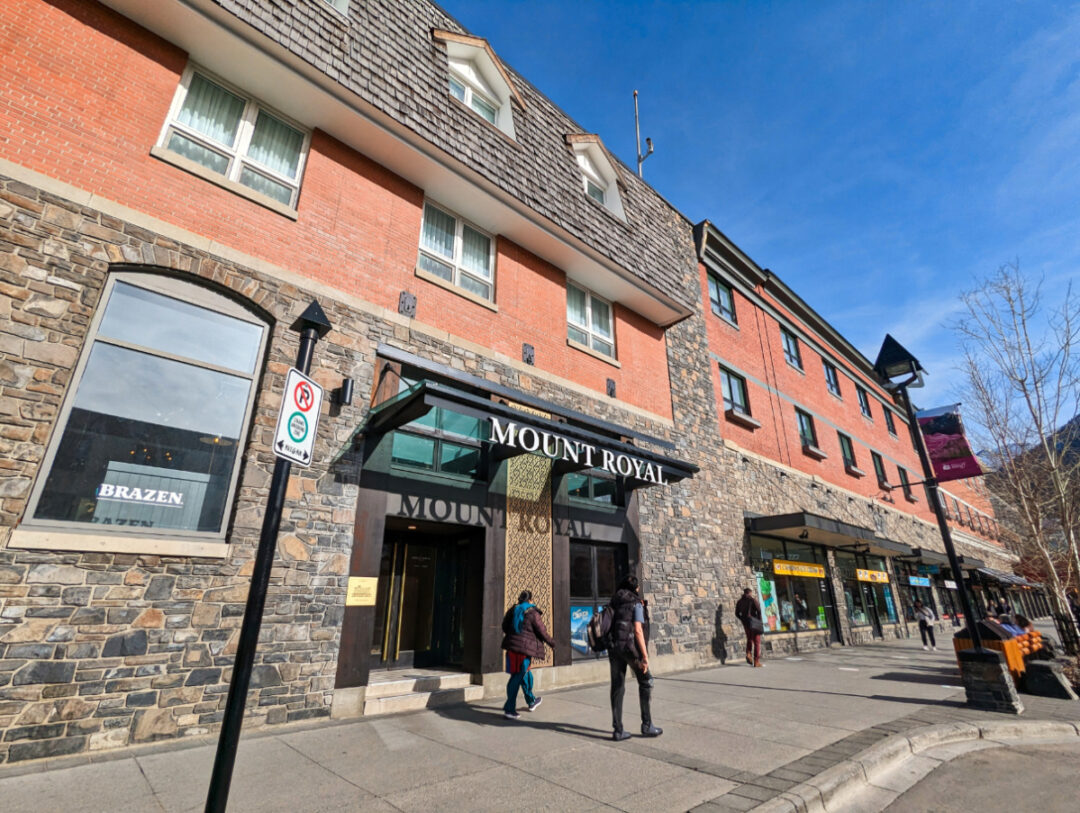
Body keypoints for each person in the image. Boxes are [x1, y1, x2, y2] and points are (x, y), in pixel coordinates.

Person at [608, 575, 662, 741]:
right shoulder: (636, 603)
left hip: (614, 647)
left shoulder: (614, 602)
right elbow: (638, 630)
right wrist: (644, 656)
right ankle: (647, 725)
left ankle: (618, 730)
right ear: (635, 588)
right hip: (630, 649)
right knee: (646, 681)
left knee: (617, 686)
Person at [500, 590, 556, 720]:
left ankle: (531, 701)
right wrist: (552, 643)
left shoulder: (513, 610)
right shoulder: (532, 612)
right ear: (530, 600)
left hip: (512, 648)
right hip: (524, 651)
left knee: (524, 674)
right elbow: (542, 631)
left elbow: (504, 626)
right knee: (517, 677)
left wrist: (515, 636)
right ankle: (509, 709)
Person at [735, 587, 764, 667]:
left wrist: (742, 619)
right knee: (757, 642)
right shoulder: (752, 600)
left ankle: (748, 653)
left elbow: (737, 613)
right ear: (750, 592)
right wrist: (759, 621)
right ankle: (756, 661)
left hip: (746, 623)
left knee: (749, 639)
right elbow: (759, 611)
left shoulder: (739, 602)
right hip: (754, 623)